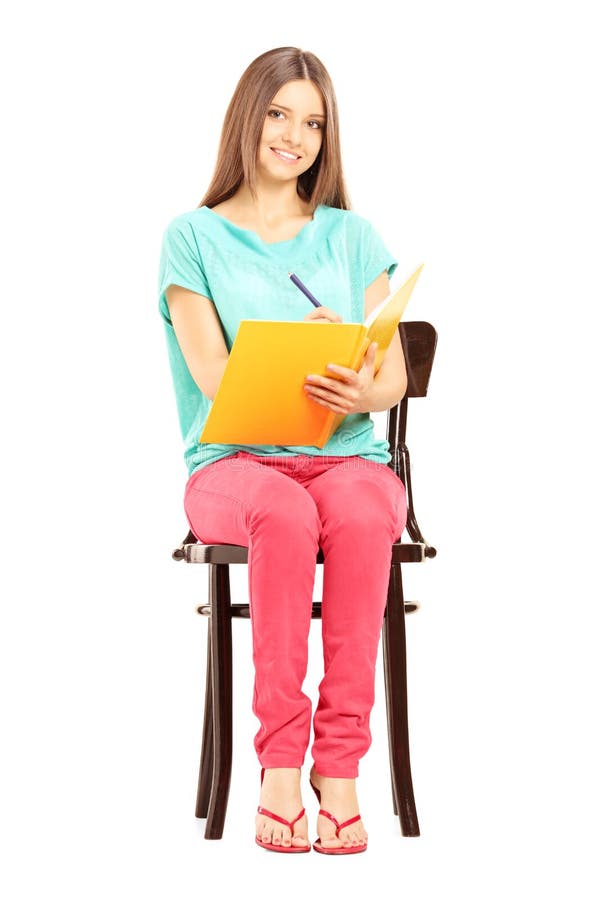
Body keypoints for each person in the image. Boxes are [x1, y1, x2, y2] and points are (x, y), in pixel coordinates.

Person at [158, 46, 408, 855]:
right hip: (233, 466)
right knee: (284, 510)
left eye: (312, 121)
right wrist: (290, 356)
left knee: (370, 506)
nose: (293, 135)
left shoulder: (350, 236)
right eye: (278, 113)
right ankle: (277, 765)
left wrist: (355, 385)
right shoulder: (190, 238)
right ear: (247, 116)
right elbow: (212, 378)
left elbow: (394, 376)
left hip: (346, 459)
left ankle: (338, 769)